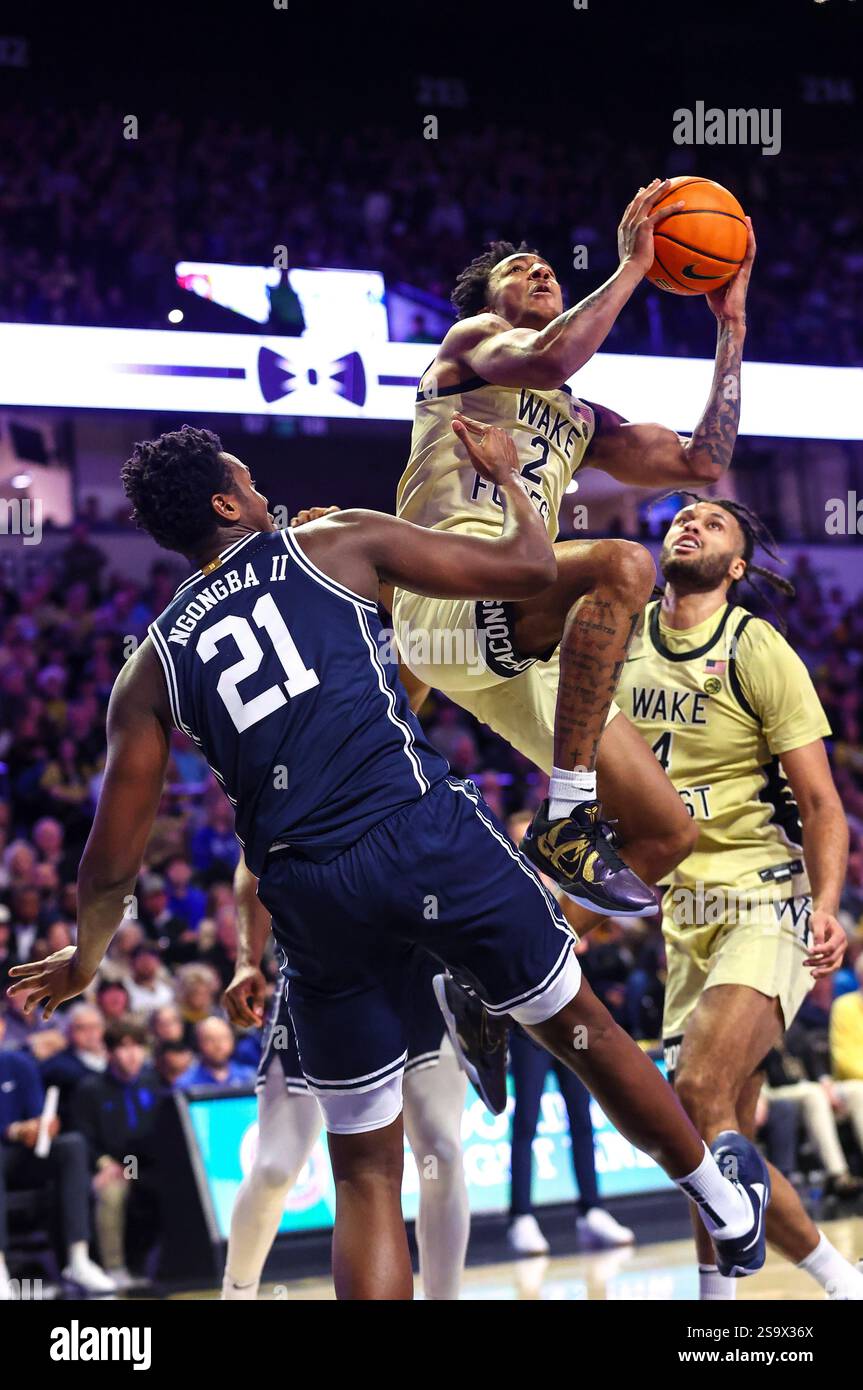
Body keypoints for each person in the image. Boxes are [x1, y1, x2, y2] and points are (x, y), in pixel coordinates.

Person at [9, 421, 771, 1299]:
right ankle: (720, 1202)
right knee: (582, 1031)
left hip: (307, 892)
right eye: (250, 484)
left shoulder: (146, 670)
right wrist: (508, 483)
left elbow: (108, 868)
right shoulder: (329, 541)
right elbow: (526, 572)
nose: (266, 496)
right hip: (418, 833)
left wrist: (86, 956)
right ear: (226, 503)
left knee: (365, 1175)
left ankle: (477, 1006)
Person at [391, 185, 756, 945]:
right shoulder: (473, 343)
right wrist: (631, 267)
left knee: (664, 834)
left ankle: (503, 971)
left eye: (545, 269)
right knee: (624, 563)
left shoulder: (581, 417)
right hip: (448, 588)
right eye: (518, 269)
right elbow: (553, 351)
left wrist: (730, 324)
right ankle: (564, 812)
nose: (537, 272)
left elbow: (701, 459)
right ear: (490, 298)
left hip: (517, 632)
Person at [616, 495, 862, 1300]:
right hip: (683, 916)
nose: (689, 523)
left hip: (765, 898)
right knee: (713, 1128)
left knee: (691, 1098)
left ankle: (836, 1281)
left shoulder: (756, 649)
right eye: (681, 515)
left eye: (711, 523)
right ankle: (726, 1310)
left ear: (734, 567)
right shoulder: (617, 644)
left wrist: (825, 905)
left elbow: (823, 805)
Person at [220, 852, 469, 1300]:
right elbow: (252, 862)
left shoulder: (421, 786)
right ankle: (236, 1292)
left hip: (421, 973)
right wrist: (246, 959)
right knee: (276, 1168)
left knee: (443, 1154)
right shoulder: (287, 789)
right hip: (322, 975)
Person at [0, 1007, 113, 1298]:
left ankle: (78, 1257)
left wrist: (44, 1126)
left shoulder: (18, 1063)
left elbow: (38, 1113)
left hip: (23, 1156)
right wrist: (12, 1131)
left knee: (72, 1144)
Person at [72, 1018, 160, 1289]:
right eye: (124, 1047)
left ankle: (166, 1262)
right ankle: (115, 1267)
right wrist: (104, 1163)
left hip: (148, 1163)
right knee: (112, 1193)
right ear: (109, 1052)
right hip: (112, 1164)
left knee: (178, 1186)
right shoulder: (90, 1089)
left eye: (138, 1047)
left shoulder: (153, 1082)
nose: (132, 1054)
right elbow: (82, 1136)